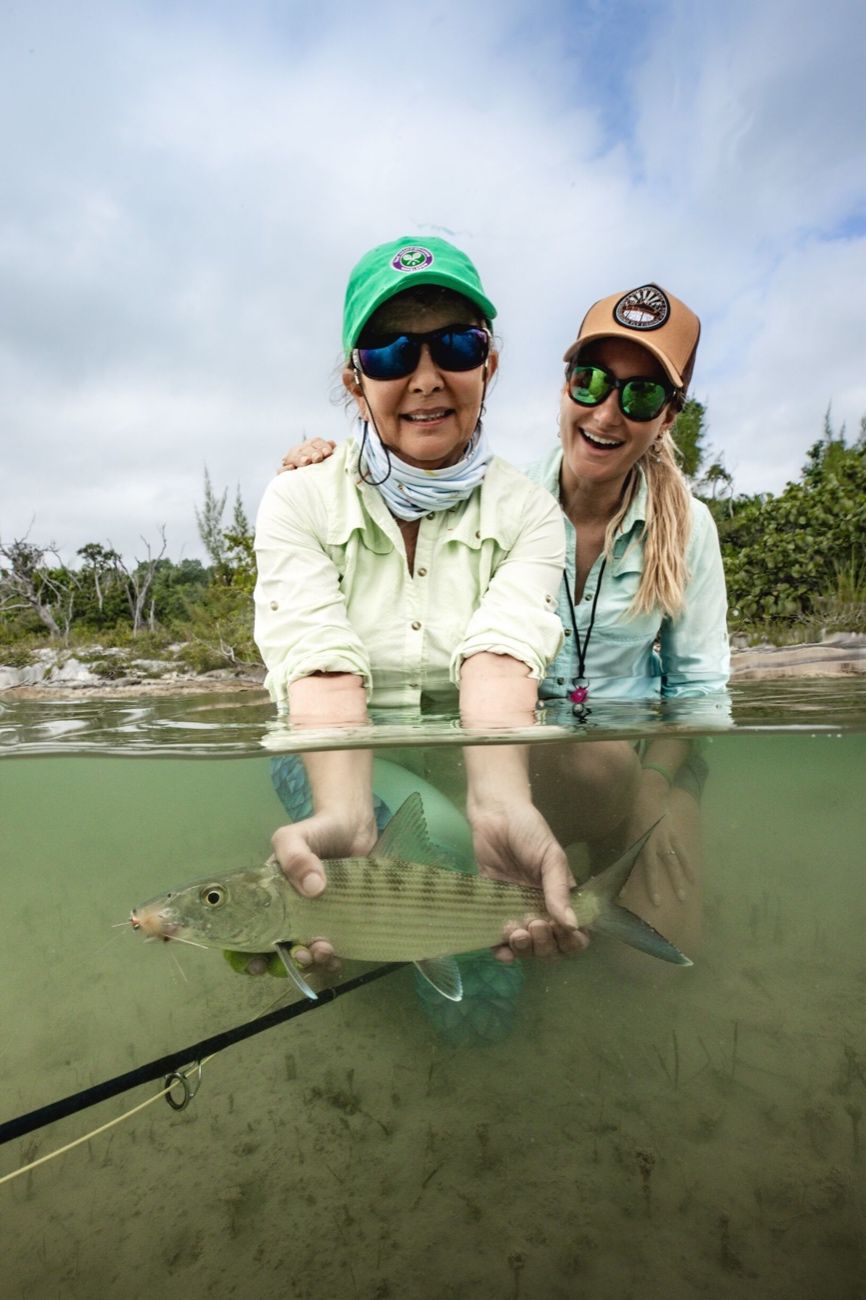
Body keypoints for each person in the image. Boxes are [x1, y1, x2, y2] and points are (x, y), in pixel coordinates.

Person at [278, 280, 730, 961]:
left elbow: (696, 692)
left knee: (659, 964)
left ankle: (596, 845)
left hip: (639, 764)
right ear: (564, 384)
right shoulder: (506, 501)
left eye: (639, 395)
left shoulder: (691, 529)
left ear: (668, 415)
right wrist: (336, 462)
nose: (606, 414)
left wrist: (652, 793)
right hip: (529, 754)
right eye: (591, 382)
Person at [254, 235, 587, 991]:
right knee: (477, 993)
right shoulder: (297, 499)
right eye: (390, 352)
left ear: (489, 364)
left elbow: (502, 661)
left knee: (483, 947)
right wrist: (346, 812)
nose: (427, 377)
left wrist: (499, 805)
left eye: (456, 344)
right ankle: (361, 883)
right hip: (336, 753)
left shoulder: (531, 513)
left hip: (461, 757)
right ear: (355, 381)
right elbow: (320, 663)